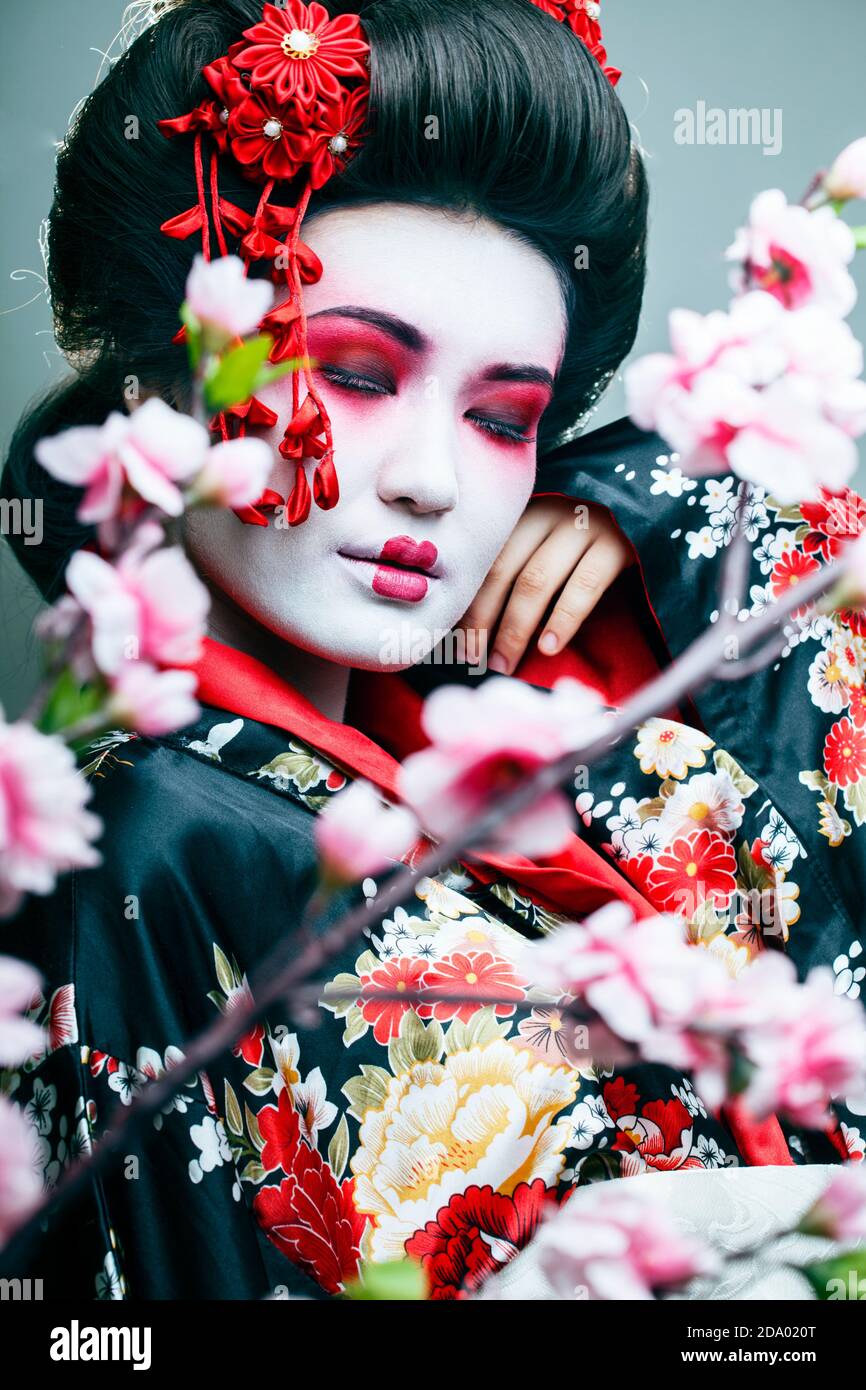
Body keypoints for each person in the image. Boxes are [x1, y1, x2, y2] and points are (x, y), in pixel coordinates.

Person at [0, 0, 857, 1302]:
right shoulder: (145, 837)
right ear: (161, 378)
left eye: (505, 416)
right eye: (352, 373)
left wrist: (634, 499)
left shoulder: (561, 748)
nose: (428, 482)